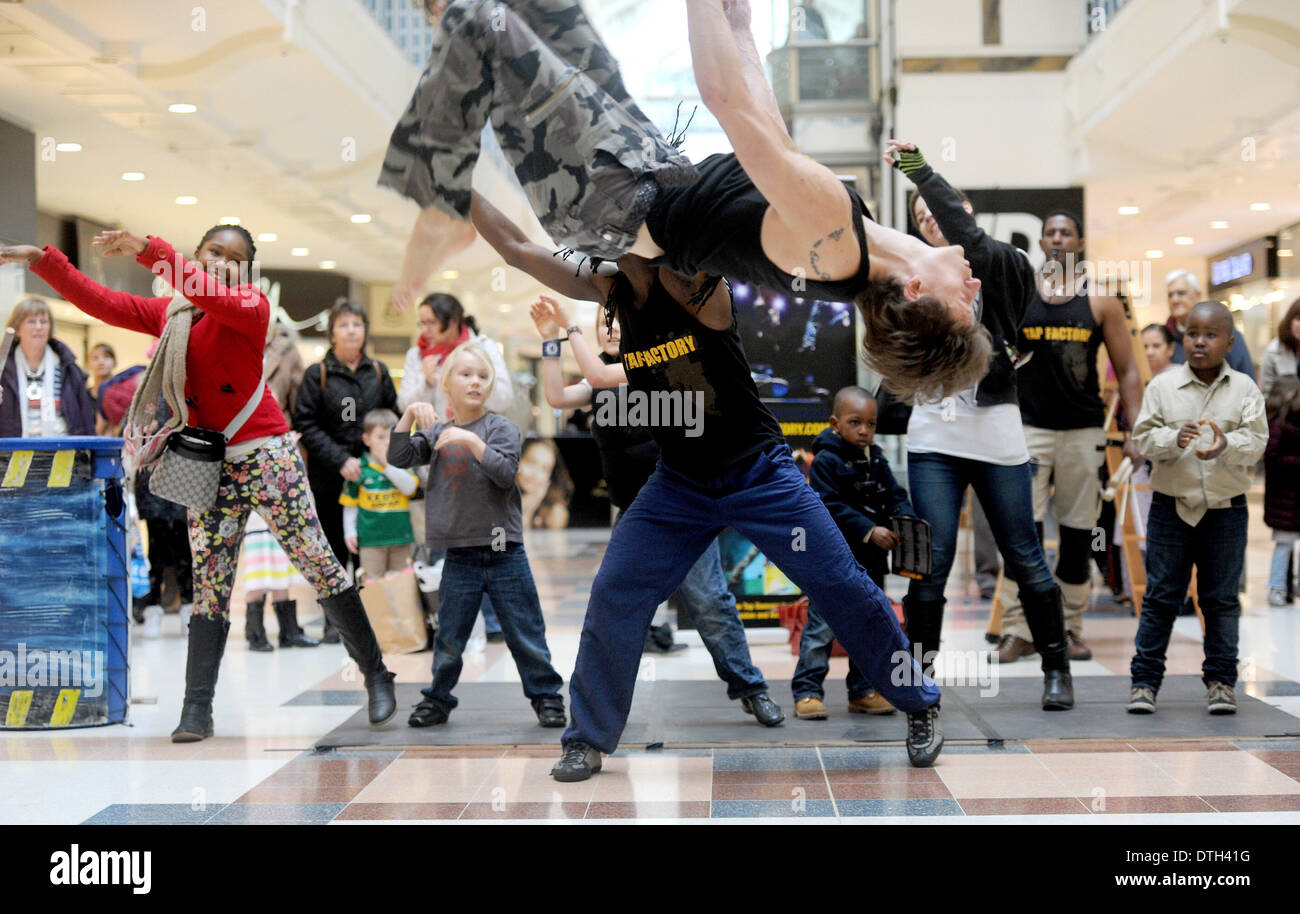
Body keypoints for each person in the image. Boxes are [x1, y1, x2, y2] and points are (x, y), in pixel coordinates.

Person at [380, 0, 988, 403]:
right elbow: (773, 138)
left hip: (609, 194)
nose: (974, 285)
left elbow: (724, 98)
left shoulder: (833, 241)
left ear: (914, 292)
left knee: (476, 20)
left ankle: (442, 198)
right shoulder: (851, 233)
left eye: (966, 304)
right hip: (646, 163)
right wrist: (743, 28)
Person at [0, 226, 397, 740]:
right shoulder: (175, 318)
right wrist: (45, 261)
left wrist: (149, 251)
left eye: (235, 259)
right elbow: (104, 302)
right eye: (214, 252)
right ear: (197, 254)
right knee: (210, 585)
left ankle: (375, 674)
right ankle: (197, 708)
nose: (223, 263)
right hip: (209, 464)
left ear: (247, 272)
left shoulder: (251, 307)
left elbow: (206, 290)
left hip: (267, 457)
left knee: (319, 565)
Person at [528, 291, 786, 725]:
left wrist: (571, 328)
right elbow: (555, 397)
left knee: (709, 601)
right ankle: (602, 714)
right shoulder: (599, 383)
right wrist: (549, 339)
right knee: (618, 605)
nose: (609, 328)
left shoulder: (661, 371)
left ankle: (750, 688)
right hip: (634, 515)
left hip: (686, 507)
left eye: (616, 322)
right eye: (601, 325)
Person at [887, 152, 1074, 709]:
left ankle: (1057, 669)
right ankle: (918, 680)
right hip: (933, 436)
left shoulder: (1001, 260)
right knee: (932, 561)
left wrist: (919, 170)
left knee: (1024, 554)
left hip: (995, 428)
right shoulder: (910, 276)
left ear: (962, 211)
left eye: (937, 211)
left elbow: (965, 233)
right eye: (919, 218)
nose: (930, 222)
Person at [975, 206, 1144, 664]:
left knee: (1077, 537)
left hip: (1082, 430)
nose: (1057, 239)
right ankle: (1018, 629)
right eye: (1050, 232)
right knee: (1020, 534)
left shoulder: (1101, 300)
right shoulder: (1022, 291)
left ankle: (1069, 628)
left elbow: (1128, 370)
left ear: (1080, 244)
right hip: (1025, 429)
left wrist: (1136, 427)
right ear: (1042, 242)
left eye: (1066, 233)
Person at [389, 344, 567, 728]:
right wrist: (406, 417)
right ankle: (437, 699)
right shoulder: (435, 432)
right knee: (450, 637)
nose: (475, 382)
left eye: (483, 376)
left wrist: (469, 440)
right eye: (466, 374)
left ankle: (547, 697)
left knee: (526, 633)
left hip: (506, 553)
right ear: (447, 386)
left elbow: (504, 473)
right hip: (460, 556)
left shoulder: (501, 428)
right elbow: (399, 456)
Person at [1126, 301, 1268, 715]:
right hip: (1171, 508)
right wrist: (1174, 438)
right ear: (1182, 338)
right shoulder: (1162, 388)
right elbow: (1143, 440)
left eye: (1210, 335)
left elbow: (1258, 442)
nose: (1200, 342)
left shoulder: (1244, 388)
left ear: (1229, 341)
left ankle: (1222, 682)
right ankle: (1144, 682)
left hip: (1226, 509)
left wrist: (1228, 444)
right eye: (1192, 334)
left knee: (1221, 599)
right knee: (1160, 597)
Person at [794, 386, 910, 719]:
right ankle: (807, 692)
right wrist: (869, 529)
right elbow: (828, 505)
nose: (864, 431)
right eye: (855, 422)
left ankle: (862, 691)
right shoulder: (827, 460)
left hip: (871, 564)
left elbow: (896, 494)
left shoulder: (877, 458)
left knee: (869, 627)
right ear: (835, 423)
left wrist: (905, 518)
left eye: (871, 424)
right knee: (821, 627)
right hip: (832, 563)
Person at [398, 292, 508, 639]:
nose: (425, 329)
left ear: (453, 320)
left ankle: (491, 622)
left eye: (431, 321)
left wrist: (471, 382)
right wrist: (428, 382)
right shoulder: (418, 354)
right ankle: (449, 623)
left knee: (488, 542)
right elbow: (405, 404)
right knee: (443, 542)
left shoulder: (484, 347)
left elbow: (504, 397)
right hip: (439, 464)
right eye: (423, 322)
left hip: (480, 458)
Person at [295, 300, 399, 641]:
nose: (352, 330)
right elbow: (305, 424)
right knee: (334, 550)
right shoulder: (318, 374)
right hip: (330, 478)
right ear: (332, 334)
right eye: (344, 325)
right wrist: (340, 459)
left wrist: (376, 456)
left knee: (371, 545)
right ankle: (335, 622)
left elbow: (391, 417)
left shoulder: (379, 371)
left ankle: (374, 616)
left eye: (357, 324)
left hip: (374, 478)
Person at [243, 318, 317, 652]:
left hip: (280, 448)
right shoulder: (232, 342)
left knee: (282, 541)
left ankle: (288, 627)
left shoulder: (286, 351)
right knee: (256, 544)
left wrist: (295, 441)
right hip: (241, 453)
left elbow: (301, 402)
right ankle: (254, 626)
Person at [0, 297, 95, 438]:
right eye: (31, 322)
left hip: (63, 452)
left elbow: (84, 417)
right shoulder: (3, 369)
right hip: (11, 455)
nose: (39, 327)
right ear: (17, 328)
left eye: (43, 322)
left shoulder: (68, 367)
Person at [341, 409, 417, 582]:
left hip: (401, 537)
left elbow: (409, 488)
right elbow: (350, 505)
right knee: (372, 586)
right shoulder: (359, 468)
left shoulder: (402, 463)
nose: (387, 442)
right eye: (381, 437)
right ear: (367, 440)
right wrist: (349, 532)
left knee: (403, 584)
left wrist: (387, 464)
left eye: (392, 436)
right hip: (370, 540)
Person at [1164, 270, 1255, 380]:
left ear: (1198, 295)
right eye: (1170, 295)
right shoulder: (1164, 338)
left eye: (1181, 293)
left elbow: (1246, 377)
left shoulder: (1224, 331)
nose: (1175, 300)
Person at [1264, 376, 1300, 606]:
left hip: (1293, 499)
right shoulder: (1278, 426)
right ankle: (1277, 587)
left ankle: (1288, 586)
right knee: (1284, 545)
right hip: (1285, 501)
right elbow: (1273, 459)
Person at [1259, 297, 1300, 400]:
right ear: (1290, 320)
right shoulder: (1273, 351)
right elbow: (1265, 395)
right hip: (1283, 413)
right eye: (1298, 319)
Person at [86, 342, 117, 407]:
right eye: (95, 358)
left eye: (106, 357)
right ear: (88, 364)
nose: (101, 361)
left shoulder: (122, 393)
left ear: (114, 362)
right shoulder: (83, 396)